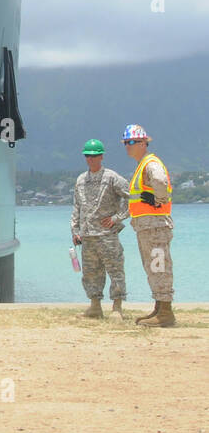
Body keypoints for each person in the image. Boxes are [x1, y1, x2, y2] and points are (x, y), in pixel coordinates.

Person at [122, 125, 175, 327]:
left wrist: (158, 199)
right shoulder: (142, 164)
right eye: (126, 143)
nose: (128, 146)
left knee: (159, 266)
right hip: (147, 226)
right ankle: (159, 306)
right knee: (153, 267)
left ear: (144, 143)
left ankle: (166, 312)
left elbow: (160, 181)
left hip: (155, 226)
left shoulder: (150, 163)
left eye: (132, 142)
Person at [70, 139, 128, 318]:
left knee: (115, 270)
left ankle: (117, 308)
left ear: (101, 156)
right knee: (90, 273)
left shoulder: (111, 178)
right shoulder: (81, 180)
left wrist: (117, 218)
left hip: (107, 235)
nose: (91, 159)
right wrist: (75, 231)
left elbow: (131, 197)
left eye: (95, 156)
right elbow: (77, 207)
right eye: (88, 156)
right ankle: (95, 306)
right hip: (87, 237)